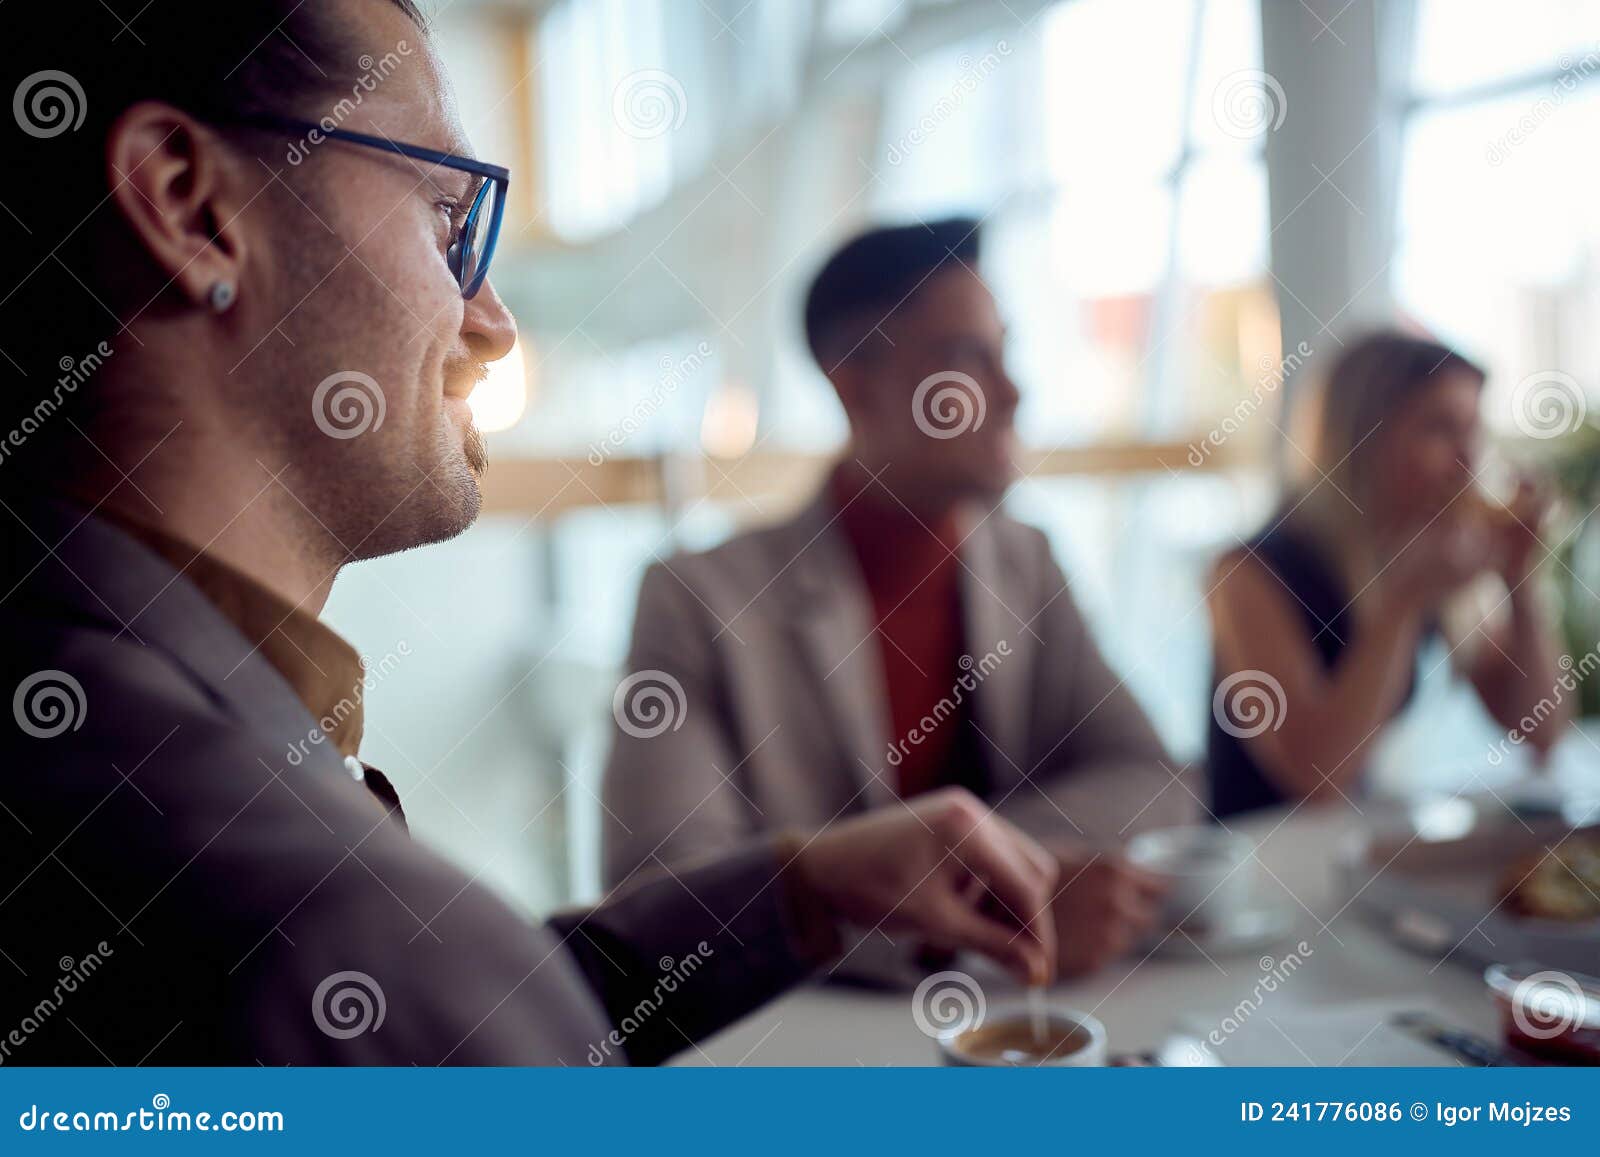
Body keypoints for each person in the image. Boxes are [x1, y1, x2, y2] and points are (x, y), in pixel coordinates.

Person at [0, 0, 1060, 1065]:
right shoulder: (326, 924)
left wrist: (797, 890)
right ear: (191, 205)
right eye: (449, 220)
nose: (495, 323)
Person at [602, 220, 1189, 980]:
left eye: (1004, 349)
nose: (1012, 391)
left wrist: (966, 870)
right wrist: (986, 905)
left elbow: (1153, 777)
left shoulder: (1027, 561)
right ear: (854, 384)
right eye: (964, 358)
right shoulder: (698, 599)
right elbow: (664, 898)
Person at [1206, 330, 1568, 818]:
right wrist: (1403, 602)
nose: (1467, 459)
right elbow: (1317, 776)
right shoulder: (1250, 571)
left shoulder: (1421, 557)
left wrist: (1520, 579)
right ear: (1361, 437)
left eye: (1473, 431)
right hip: (1257, 863)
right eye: (1439, 429)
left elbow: (1539, 729)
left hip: (1343, 850)